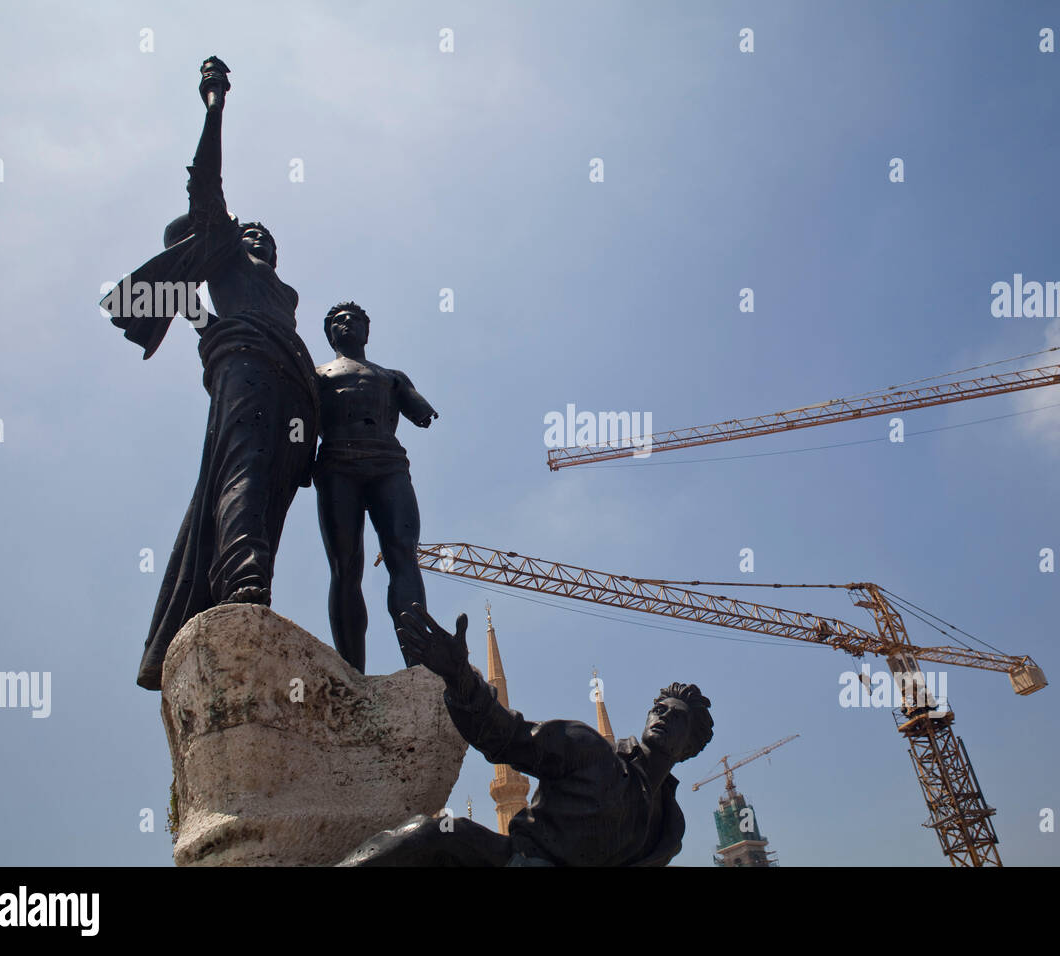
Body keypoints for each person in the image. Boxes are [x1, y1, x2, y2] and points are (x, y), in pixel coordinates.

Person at [107, 57, 320, 690]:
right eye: (252, 231)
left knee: (273, 495)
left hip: (295, 394)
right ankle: (243, 582)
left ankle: (252, 578)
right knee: (243, 474)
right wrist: (214, 108)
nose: (261, 239)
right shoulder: (225, 256)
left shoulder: (284, 294)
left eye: (266, 236)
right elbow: (206, 185)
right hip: (247, 372)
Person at [338, 605, 713, 866]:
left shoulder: (669, 828)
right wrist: (460, 677)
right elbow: (507, 736)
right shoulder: (586, 748)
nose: (661, 716)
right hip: (516, 861)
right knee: (433, 832)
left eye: (674, 717)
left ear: (689, 746)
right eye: (657, 709)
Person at [313, 302, 436, 672]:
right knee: (345, 567)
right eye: (338, 321)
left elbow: (422, 413)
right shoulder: (316, 375)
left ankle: (418, 663)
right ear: (329, 333)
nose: (346, 324)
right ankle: (352, 670)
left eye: (354, 320)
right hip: (337, 464)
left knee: (403, 556)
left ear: (367, 330)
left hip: (388, 464)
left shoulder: (393, 377)